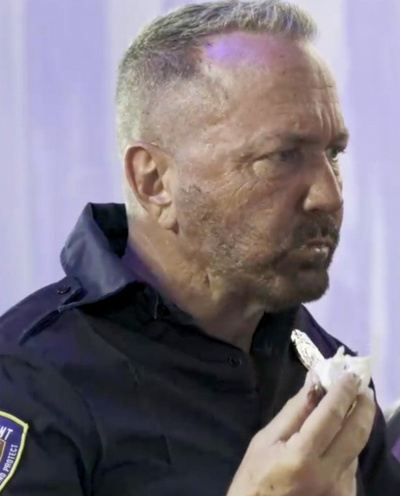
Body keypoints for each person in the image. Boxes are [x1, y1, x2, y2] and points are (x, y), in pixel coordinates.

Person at [0, 1, 399, 495]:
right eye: (281, 156)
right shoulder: (31, 383)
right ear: (154, 181)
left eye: (333, 153)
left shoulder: (324, 368)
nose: (329, 195)